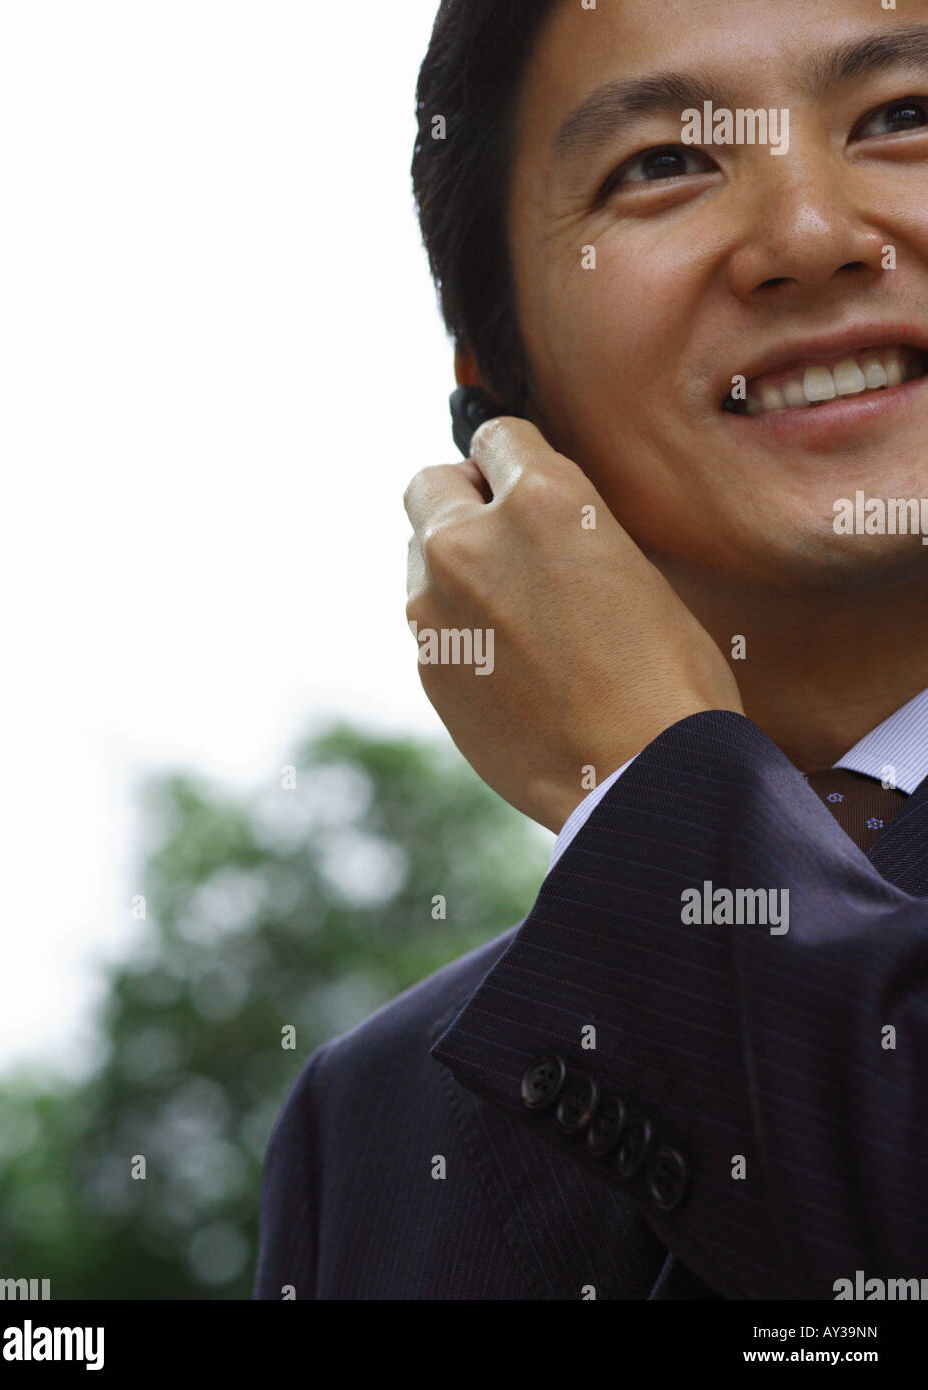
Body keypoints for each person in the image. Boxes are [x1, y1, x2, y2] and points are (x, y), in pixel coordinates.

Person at [254, 0, 928, 1299]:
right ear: (498, 395)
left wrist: (647, 775)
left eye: (903, 117)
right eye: (661, 164)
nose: (808, 237)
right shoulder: (371, 1122)